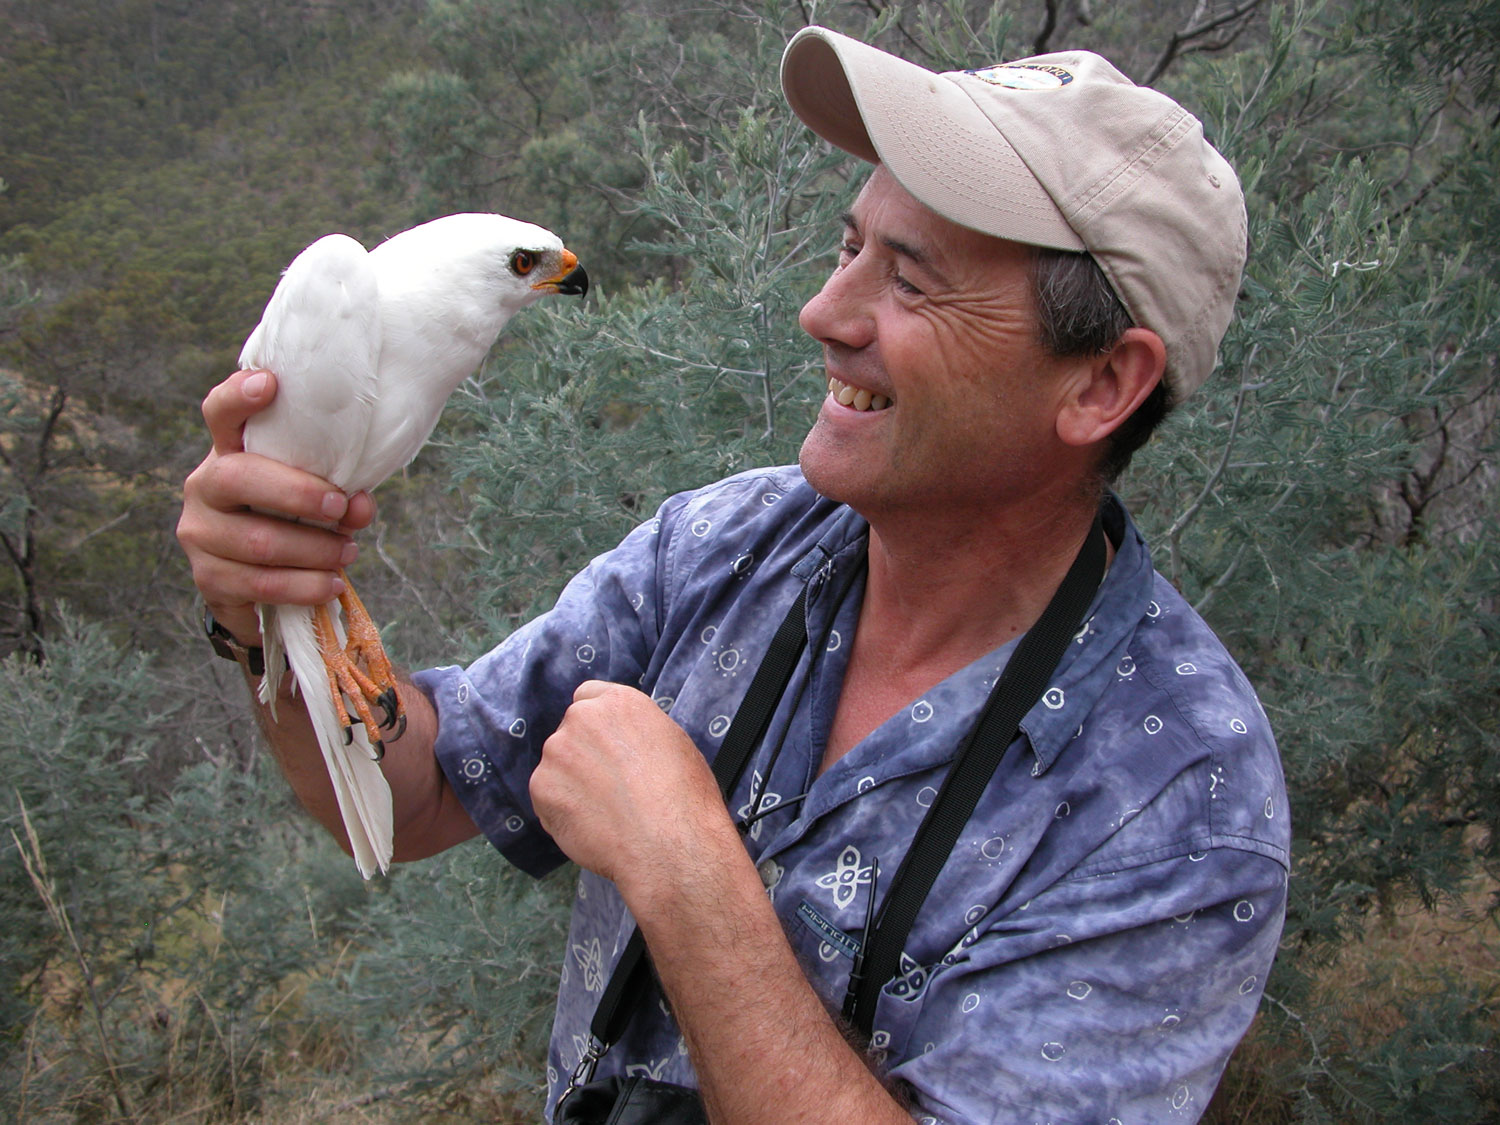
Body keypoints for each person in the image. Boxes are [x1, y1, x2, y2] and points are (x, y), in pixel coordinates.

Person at [177, 26, 1288, 1125]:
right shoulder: (728, 547)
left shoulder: (1182, 796)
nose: (824, 313)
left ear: (1101, 386)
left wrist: (687, 873)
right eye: (847, 248)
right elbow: (414, 794)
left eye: (908, 282)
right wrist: (268, 617)